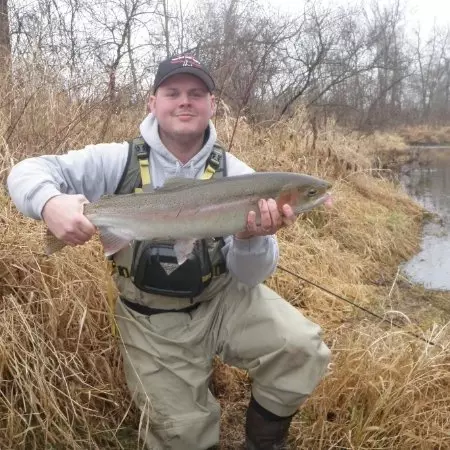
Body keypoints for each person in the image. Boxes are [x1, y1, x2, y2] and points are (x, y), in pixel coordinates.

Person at [7, 54, 331, 450]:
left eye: (196, 94)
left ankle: (264, 443)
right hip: (150, 317)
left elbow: (250, 278)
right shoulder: (114, 159)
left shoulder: (241, 175)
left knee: (302, 348)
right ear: (152, 102)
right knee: (183, 435)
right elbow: (25, 171)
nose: (184, 102)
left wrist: (251, 239)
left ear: (212, 104)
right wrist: (49, 204)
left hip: (223, 298)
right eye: (172, 92)